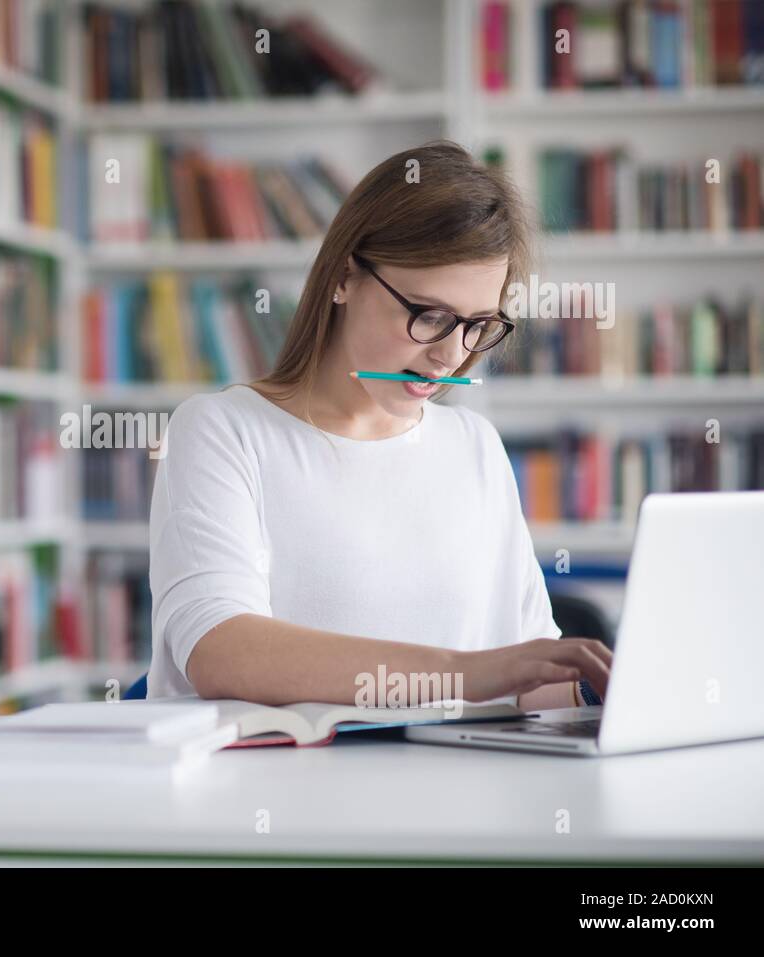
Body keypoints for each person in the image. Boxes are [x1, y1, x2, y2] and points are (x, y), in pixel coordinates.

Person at [146, 140, 612, 709]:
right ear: (345, 277)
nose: (451, 356)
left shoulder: (474, 447)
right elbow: (222, 654)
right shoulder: (223, 432)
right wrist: (461, 675)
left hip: (456, 790)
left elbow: (530, 680)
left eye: (477, 326)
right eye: (430, 315)